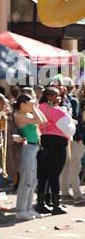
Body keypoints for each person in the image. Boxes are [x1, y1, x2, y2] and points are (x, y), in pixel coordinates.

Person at [37, 85, 72, 216]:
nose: (59, 97)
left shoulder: (40, 108)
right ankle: (56, 205)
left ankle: (42, 203)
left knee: (44, 174)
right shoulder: (56, 110)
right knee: (55, 173)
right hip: (57, 142)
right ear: (49, 96)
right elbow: (68, 128)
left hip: (44, 140)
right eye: (56, 95)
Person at [12, 90, 45, 220]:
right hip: (27, 149)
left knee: (33, 180)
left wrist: (34, 107)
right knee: (26, 180)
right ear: (23, 104)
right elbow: (40, 121)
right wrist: (34, 108)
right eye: (29, 103)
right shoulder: (19, 115)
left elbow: (43, 119)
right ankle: (21, 210)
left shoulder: (27, 113)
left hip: (34, 148)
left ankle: (28, 208)